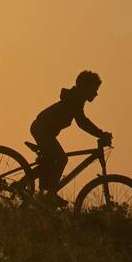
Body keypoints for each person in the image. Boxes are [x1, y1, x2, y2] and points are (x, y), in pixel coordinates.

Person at [30, 70, 112, 203]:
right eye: (94, 89)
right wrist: (101, 134)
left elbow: (82, 121)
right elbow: (82, 122)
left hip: (43, 130)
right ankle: (50, 193)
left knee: (49, 164)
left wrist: (100, 133)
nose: (96, 93)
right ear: (85, 87)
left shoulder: (76, 98)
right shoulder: (75, 99)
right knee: (62, 159)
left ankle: (40, 191)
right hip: (42, 130)